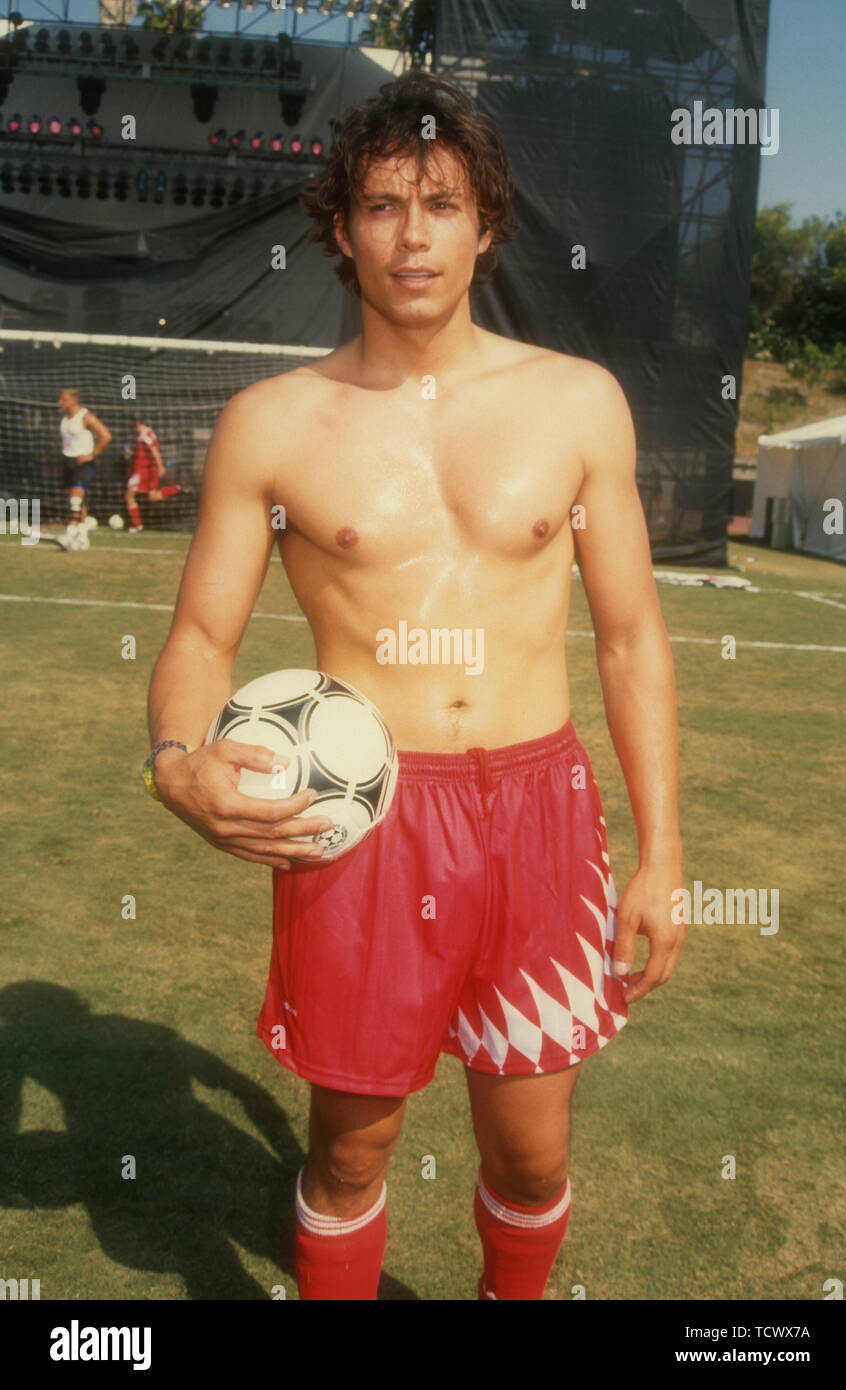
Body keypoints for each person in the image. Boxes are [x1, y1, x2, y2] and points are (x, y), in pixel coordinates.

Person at [145, 71, 685, 1301]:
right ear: (340, 227)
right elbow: (196, 637)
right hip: (363, 824)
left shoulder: (575, 401)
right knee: (351, 1146)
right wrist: (178, 758)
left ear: (484, 224)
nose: (412, 234)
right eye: (382, 204)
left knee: (532, 1150)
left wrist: (660, 850)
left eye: (440, 203)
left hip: (537, 815)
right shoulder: (270, 422)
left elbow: (631, 639)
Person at [56, 388, 112, 550]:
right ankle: (82, 537)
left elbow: (106, 435)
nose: (60, 402)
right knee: (80, 501)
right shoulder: (66, 418)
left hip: (83, 462)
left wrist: (92, 454)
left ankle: (69, 534)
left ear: (74, 400)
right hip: (68, 461)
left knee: (75, 500)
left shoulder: (85, 416)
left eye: (63, 399)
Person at [124, 413, 183, 533]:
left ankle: (137, 526)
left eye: (130, 422)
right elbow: (145, 453)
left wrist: (160, 466)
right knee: (152, 497)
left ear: (135, 422)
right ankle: (177, 488)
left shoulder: (146, 433)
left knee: (129, 496)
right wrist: (131, 453)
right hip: (145, 470)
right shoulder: (142, 434)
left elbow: (154, 450)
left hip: (143, 471)